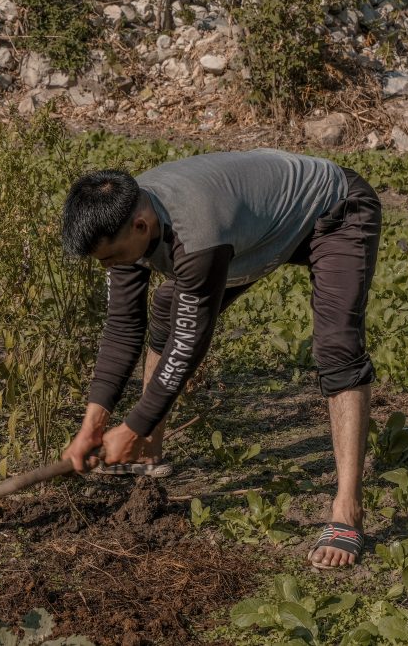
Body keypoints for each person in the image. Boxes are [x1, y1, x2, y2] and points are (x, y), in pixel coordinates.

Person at [59, 148, 381, 569]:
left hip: (334, 209)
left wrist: (133, 423)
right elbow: (122, 328)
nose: (113, 265)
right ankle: (147, 448)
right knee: (165, 309)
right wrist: (93, 424)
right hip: (252, 228)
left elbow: (188, 345)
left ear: (141, 225)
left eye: (114, 257)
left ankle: (347, 513)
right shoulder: (124, 217)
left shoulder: (196, 233)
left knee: (338, 347)